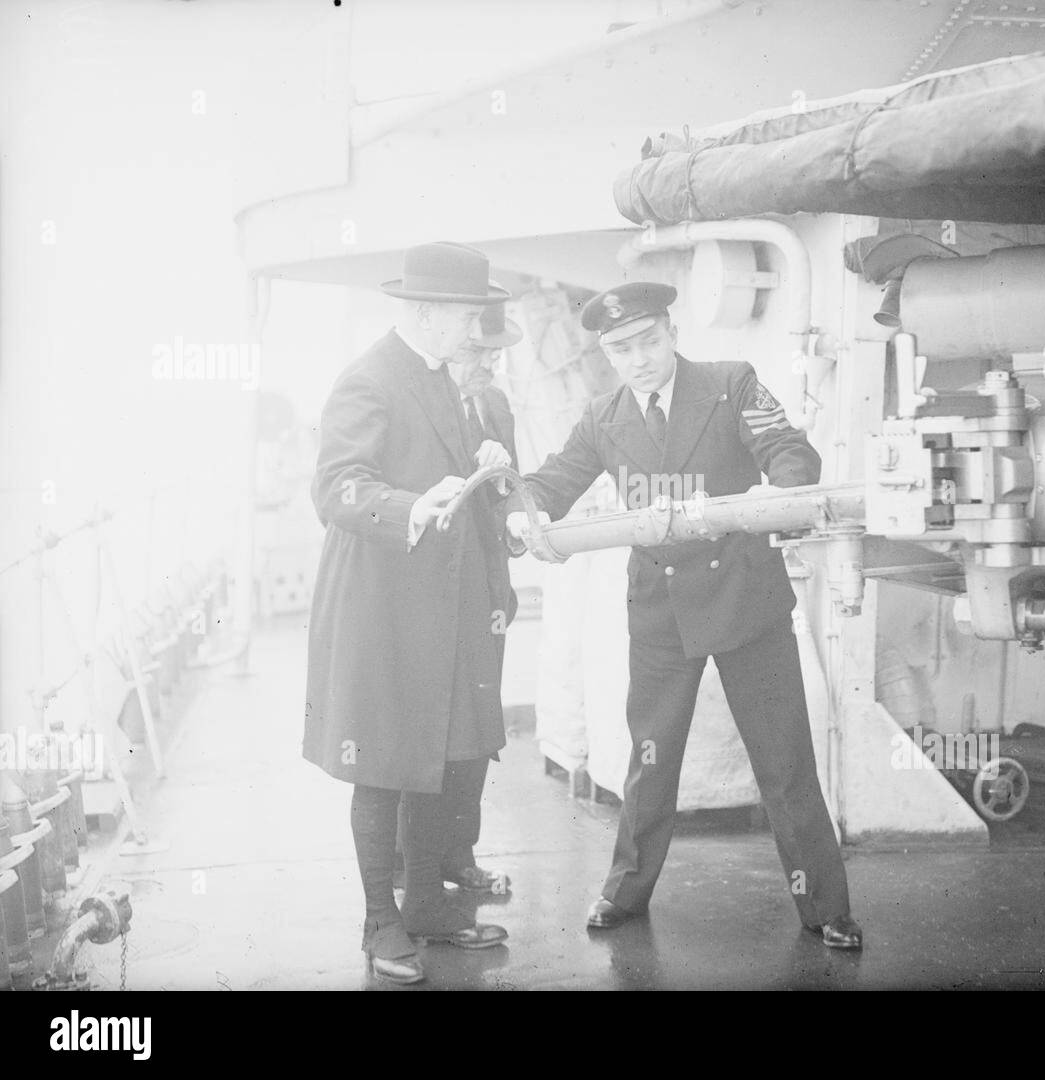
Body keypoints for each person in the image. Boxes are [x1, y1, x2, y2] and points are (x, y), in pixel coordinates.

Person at [507, 282, 862, 950]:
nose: (637, 358)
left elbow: (790, 449)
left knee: (784, 760)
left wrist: (783, 491)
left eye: (646, 341)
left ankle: (826, 908)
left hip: (744, 600)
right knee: (650, 757)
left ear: (670, 332)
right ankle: (625, 892)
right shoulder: (603, 415)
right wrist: (518, 510)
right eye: (620, 348)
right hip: (660, 610)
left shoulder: (732, 385)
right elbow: (554, 482)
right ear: (607, 353)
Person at [304, 242, 512, 985]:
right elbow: (336, 487)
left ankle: (425, 903)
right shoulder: (368, 378)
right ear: (426, 313)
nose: (476, 326)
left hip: (441, 605)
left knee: (442, 750)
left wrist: (487, 468)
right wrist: (407, 506)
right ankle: (379, 922)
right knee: (385, 762)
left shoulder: (440, 377)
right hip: (381, 606)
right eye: (467, 314)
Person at [427, 299, 523, 896]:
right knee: (431, 732)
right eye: (476, 350)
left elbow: (514, 492)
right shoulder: (423, 405)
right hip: (435, 599)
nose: (489, 361)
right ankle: (417, 866)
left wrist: (504, 469)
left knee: (479, 730)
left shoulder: (494, 404)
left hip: (487, 594)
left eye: (495, 351)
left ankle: (460, 856)